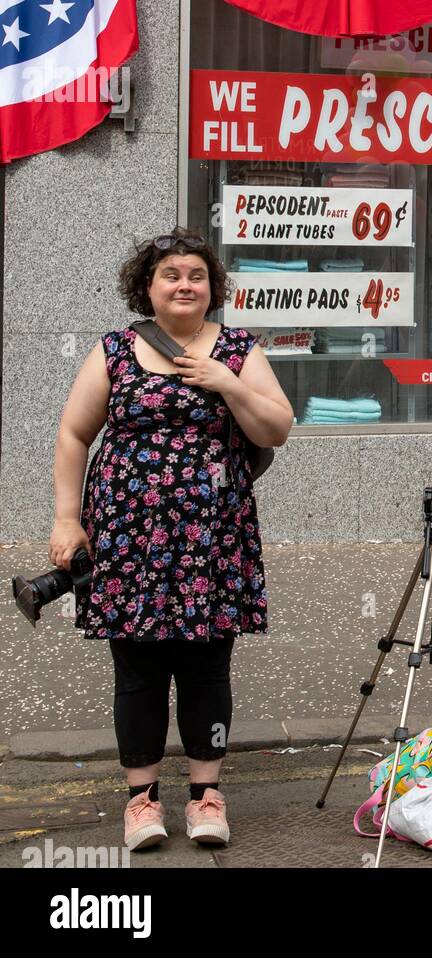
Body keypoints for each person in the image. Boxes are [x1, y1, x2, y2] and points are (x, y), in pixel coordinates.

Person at [48, 228, 294, 848]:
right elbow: (74, 434)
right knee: (138, 668)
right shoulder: (116, 351)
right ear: (148, 287)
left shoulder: (238, 350)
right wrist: (66, 517)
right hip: (128, 537)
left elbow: (278, 429)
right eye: (171, 275)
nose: (185, 285)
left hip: (214, 538)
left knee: (208, 665)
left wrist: (228, 383)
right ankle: (142, 801)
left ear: (212, 288)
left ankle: (206, 796)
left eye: (196, 276)